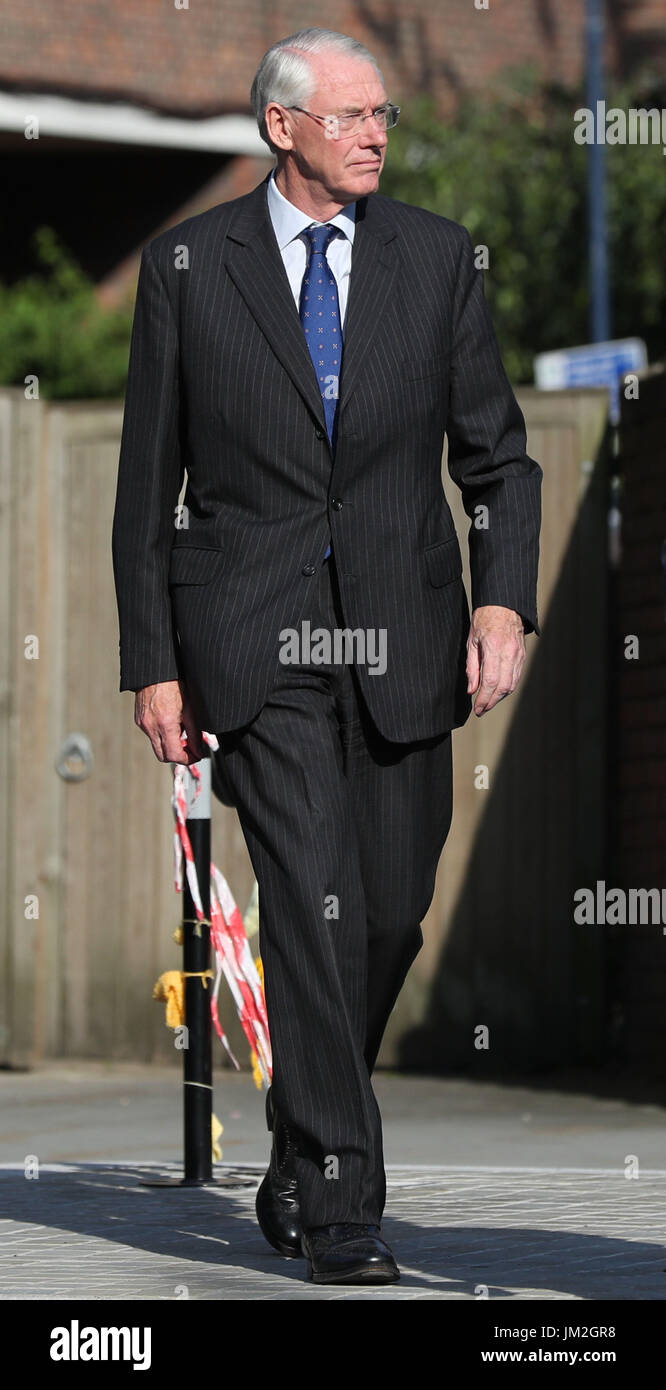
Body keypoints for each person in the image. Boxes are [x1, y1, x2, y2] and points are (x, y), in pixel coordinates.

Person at [112, 26, 541, 1287]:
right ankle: (345, 1207)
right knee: (307, 902)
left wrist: (503, 604)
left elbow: (499, 458)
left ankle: (299, 1150)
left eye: (385, 116)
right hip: (257, 644)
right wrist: (155, 664)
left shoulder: (434, 259)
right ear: (279, 127)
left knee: (385, 916)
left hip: (406, 639)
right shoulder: (189, 265)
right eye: (351, 116)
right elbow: (148, 491)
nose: (376, 135)